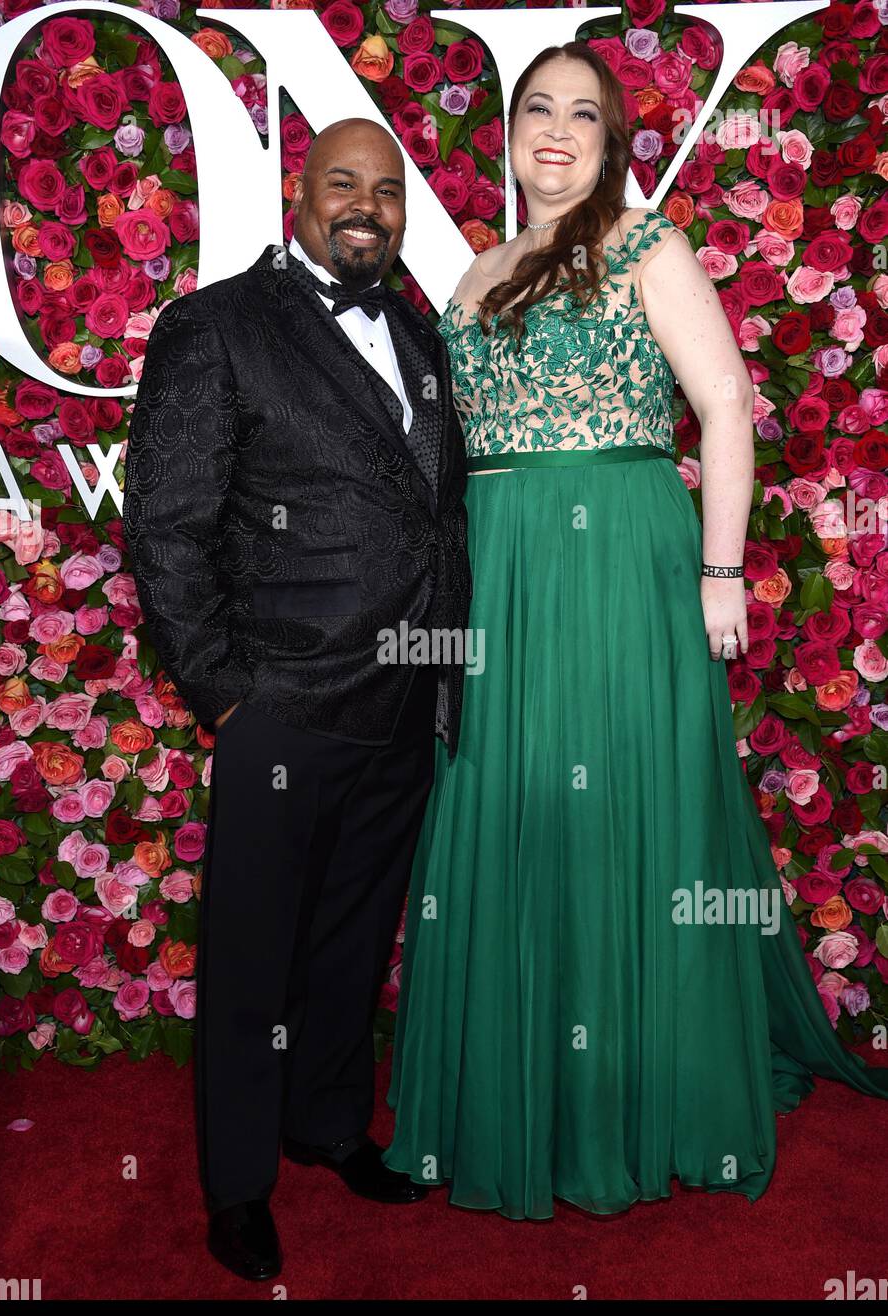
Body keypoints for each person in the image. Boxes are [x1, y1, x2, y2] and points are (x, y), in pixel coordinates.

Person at [383, 41, 888, 1221]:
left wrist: (721, 572)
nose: (557, 133)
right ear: (505, 134)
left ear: (613, 146)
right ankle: (524, 1098)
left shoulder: (645, 246)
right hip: (501, 570)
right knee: (508, 806)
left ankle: (636, 1092)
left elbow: (724, 405)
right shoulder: (469, 276)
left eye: (585, 118)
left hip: (623, 556)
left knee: (623, 810)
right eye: (537, 111)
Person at [123, 117, 471, 1276]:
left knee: (351, 941)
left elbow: (435, 513)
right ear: (300, 195)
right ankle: (237, 1183)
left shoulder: (417, 336)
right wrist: (230, 695)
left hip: (404, 701)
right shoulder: (216, 325)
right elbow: (167, 529)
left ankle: (326, 1124)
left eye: (387, 190)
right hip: (285, 703)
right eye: (342, 184)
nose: (367, 206)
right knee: (254, 953)